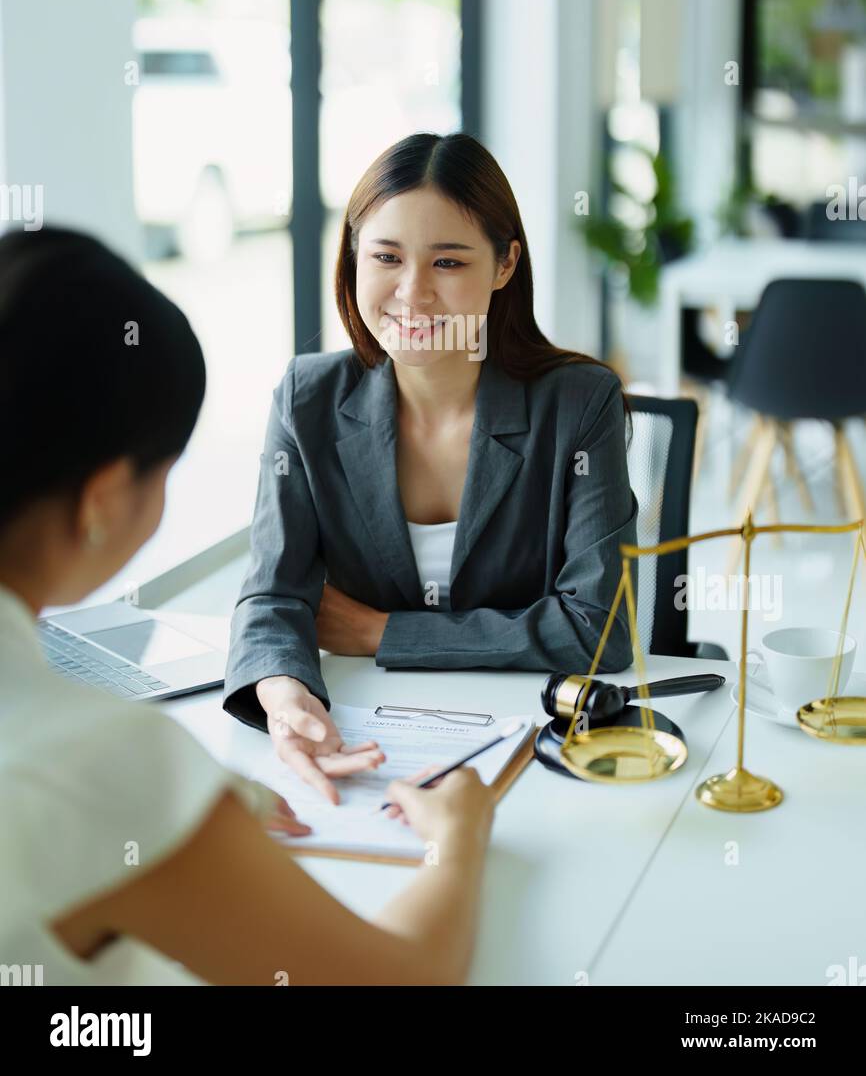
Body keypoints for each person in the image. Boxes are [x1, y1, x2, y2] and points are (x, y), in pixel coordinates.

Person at [0, 226, 494, 986]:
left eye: (448, 259)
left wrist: (194, 819)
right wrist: (458, 839)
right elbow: (400, 980)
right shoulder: (102, 760)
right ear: (101, 499)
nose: (414, 287)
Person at [224, 132, 637, 801]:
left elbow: (598, 631)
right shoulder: (308, 398)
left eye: (448, 262)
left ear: (505, 265)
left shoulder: (579, 404)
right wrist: (285, 696)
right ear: (355, 254)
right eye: (386, 256)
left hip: (540, 751)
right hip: (370, 746)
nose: (412, 295)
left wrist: (379, 631)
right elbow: (273, 597)